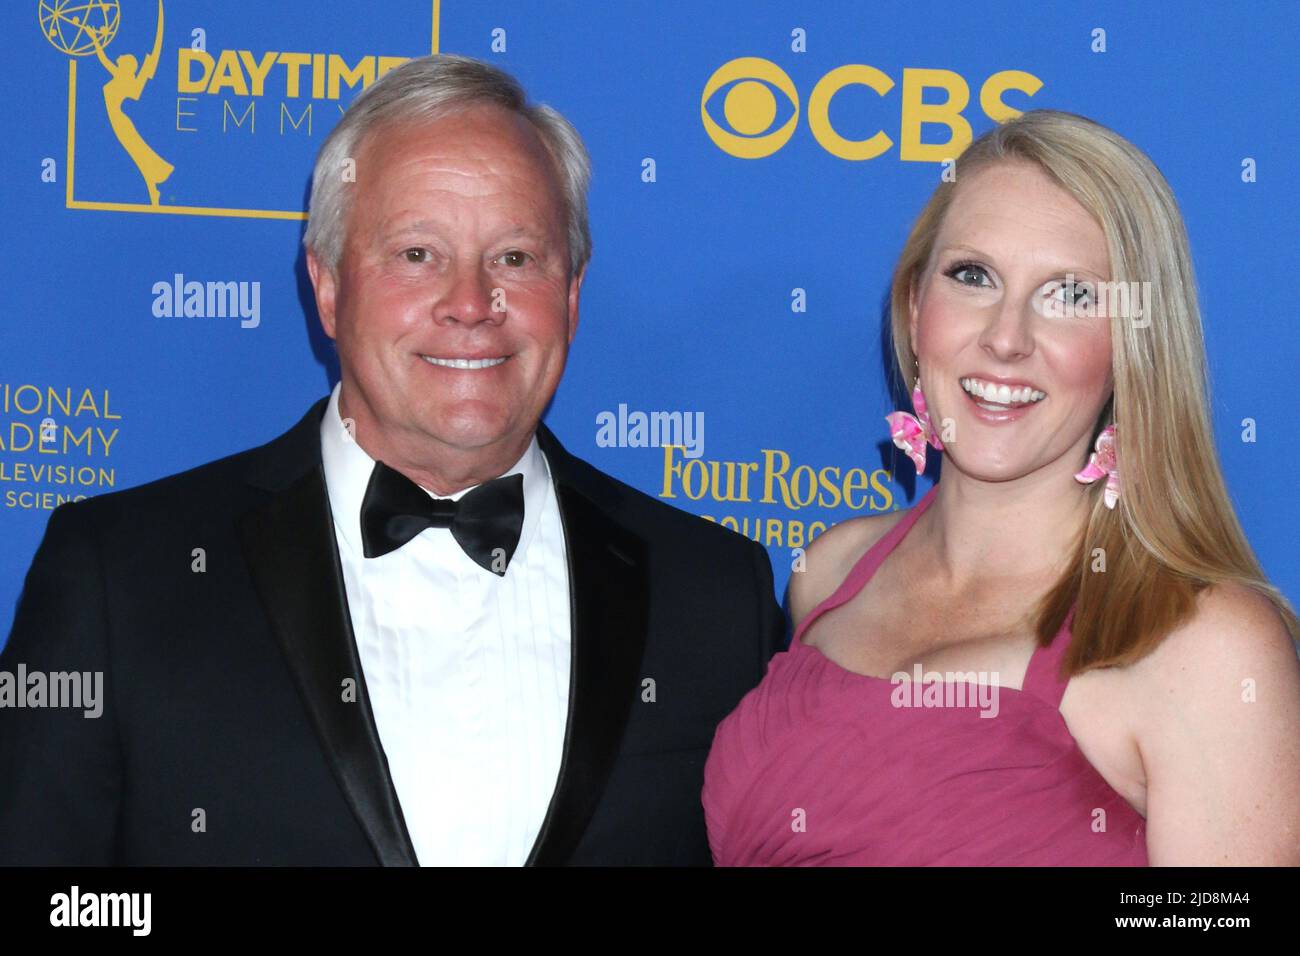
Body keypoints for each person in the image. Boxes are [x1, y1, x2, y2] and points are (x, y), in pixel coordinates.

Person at [0, 54, 784, 866]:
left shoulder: (716, 595)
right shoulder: (120, 574)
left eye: (516, 258)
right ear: (328, 287)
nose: (473, 305)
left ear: (573, 294)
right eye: (417, 254)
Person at [703, 109, 1300, 866]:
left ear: (1133, 346)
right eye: (973, 276)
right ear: (917, 308)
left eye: (1071, 296)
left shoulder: (1203, 645)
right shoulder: (830, 571)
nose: (1007, 337)